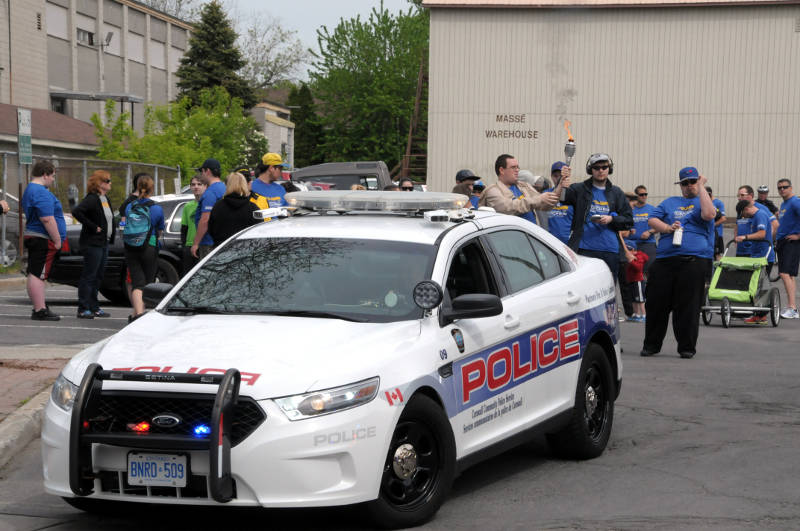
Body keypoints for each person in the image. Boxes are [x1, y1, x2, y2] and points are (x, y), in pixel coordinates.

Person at [640, 167, 715, 359]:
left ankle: (686, 347)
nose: (689, 186)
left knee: (688, 307)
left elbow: (709, 214)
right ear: (680, 185)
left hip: (692, 260)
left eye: (692, 181)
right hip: (665, 260)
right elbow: (652, 219)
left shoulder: (703, 200)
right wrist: (667, 228)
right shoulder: (669, 202)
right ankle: (651, 345)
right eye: (685, 183)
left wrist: (701, 187)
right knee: (656, 303)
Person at [561, 153, 633, 279]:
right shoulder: (580, 189)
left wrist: (611, 219)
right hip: (584, 248)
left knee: (608, 287)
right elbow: (562, 198)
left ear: (609, 169)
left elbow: (628, 220)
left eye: (604, 167)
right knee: (584, 286)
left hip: (610, 250)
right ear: (590, 170)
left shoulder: (616, 192)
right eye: (596, 168)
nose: (601, 170)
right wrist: (562, 181)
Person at [22, 160, 67, 321]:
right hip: (42, 237)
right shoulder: (41, 192)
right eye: (52, 176)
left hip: (35, 235)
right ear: (45, 174)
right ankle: (40, 309)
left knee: (35, 273)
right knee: (37, 274)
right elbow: (47, 218)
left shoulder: (30, 189)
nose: (53, 179)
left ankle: (39, 305)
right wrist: (57, 240)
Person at [71, 170, 115, 319]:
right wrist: (93, 226)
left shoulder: (104, 198)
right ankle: (83, 308)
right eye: (108, 181)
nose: (110, 183)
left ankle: (94, 306)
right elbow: (77, 212)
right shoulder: (92, 198)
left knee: (98, 276)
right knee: (89, 276)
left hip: (103, 242)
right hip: (92, 243)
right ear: (100, 183)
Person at [123, 176, 164, 322]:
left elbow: (126, 224)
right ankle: (140, 316)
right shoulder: (157, 209)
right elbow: (160, 230)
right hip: (149, 246)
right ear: (152, 189)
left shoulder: (129, 206)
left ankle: (136, 314)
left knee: (137, 283)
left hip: (130, 247)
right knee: (147, 283)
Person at [479, 154, 559, 224]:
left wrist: (561, 185)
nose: (517, 170)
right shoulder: (492, 191)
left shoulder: (524, 186)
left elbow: (545, 205)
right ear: (502, 170)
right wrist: (538, 199)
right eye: (513, 167)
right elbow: (508, 208)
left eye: (518, 167)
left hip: (531, 234)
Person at [734, 199, 773, 324]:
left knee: (760, 286)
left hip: (764, 256)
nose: (744, 217)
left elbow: (762, 234)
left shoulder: (760, 215)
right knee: (754, 285)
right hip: (757, 255)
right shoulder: (756, 217)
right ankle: (756, 314)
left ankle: (761, 315)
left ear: (746, 209)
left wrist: (745, 237)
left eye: (743, 214)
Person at [208, 173, 259, 245]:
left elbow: (211, 229)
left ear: (227, 185)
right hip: (247, 247)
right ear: (244, 184)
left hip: (222, 247)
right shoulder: (253, 208)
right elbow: (259, 230)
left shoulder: (218, 206)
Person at [775, 178, 800, 318]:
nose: (782, 189)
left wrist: (798, 236)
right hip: (783, 242)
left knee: (784, 273)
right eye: (779, 188)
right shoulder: (785, 204)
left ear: (791, 187)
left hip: (791, 242)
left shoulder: (795, 202)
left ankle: (792, 308)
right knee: (789, 275)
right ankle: (792, 307)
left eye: (785, 187)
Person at [191, 158, 225, 259]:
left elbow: (205, 220)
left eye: (202, 172)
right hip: (222, 239)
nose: (201, 175)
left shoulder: (210, 192)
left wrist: (196, 243)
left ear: (208, 171)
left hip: (209, 242)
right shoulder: (225, 188)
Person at [180, 174, 206, 275]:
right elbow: (184, 228)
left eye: (199, 184)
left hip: (204, 245)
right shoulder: (187, 206)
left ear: (205, 186)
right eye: (193, 184)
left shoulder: (209, 204)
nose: (196, 187)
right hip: (190, 246)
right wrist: (184, 247)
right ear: (190, 187)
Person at [631, 185, 657, 275]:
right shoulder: (630, 209)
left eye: (646, 194)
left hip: (648, 244)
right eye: (641, 194)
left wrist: (649, 232)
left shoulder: (652, 209)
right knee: (634, 273)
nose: (644, 196)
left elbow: (660, 226)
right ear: (636, 196)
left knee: (650, 271)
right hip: (633, 244)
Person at [545, 161, 573, 244]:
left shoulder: (574, 194)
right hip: (549, 241)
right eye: (555, 176)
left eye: (561, 176)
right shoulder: (546, 193)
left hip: (568, 242)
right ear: (551, 176)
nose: (558, 179)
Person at [706, 186, 727, 261]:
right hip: (707, 234)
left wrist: (712, 225)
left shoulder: (718, 203)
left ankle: (718, 268)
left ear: (710, 194)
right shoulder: (703, 202)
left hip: (717, 234)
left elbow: (723, 218)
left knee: (717, 255)